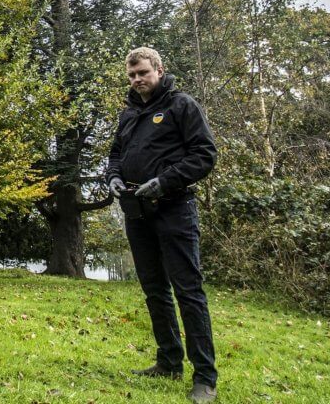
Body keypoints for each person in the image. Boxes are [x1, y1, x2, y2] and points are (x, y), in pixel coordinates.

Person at [106, 47, 218, 403]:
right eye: (132, 75)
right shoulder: (128, 114)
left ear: (159, 69)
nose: (137, 79)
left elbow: (204, 154)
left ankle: (205, 377)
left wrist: (165, 181)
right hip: (137, 213)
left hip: (174, 209)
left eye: (142, 72)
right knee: (154, 290)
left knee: (188, 292)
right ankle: (168, 361)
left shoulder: (181, 106)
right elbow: (115, 155)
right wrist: (112, 178)